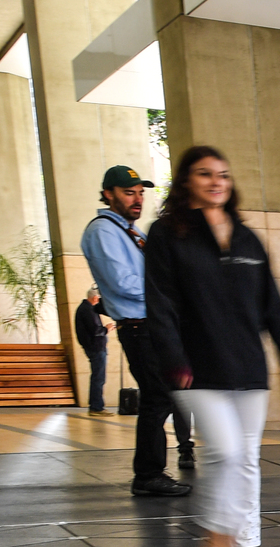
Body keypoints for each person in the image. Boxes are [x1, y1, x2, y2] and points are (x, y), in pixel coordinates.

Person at [143, 146, 280, 547]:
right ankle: (217, 535)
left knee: (246, 457)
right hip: (195, 368)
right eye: (205, 174)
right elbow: (160, 303)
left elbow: (271, 304)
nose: (217, 182)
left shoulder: (247, 238)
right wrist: (173, 358)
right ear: (186, 181)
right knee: (227, 452)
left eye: (224, 175)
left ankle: (245, 543)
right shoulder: (167, 234)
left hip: (248, 365)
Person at [79, 164, 194, 495]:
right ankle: (147, 474)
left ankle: (150, 472)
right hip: (139, 326)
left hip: (152, 324)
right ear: (108, 194)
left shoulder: (130, 231)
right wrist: (167, 289)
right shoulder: (104, 231)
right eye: (129, 193)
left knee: (163, 395)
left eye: (141, 193)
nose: (137, 199)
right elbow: (123, 282)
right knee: (157, 397)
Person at [74, 286, 111, 414]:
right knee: (99, 378)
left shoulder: (84, 308)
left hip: (93, 347)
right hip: (96, 347)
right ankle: (96, 407)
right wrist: (107, 329)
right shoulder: (88, 310)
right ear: (95, 298)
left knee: (97, 377)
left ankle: (96, 405)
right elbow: (96, 330)